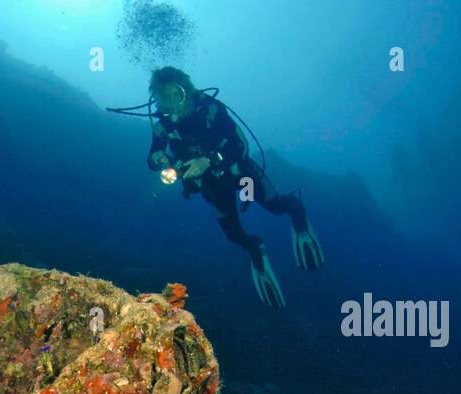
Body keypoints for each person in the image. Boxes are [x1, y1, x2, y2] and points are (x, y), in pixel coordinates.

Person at [133, 67, 324, 308]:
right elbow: (152, 157)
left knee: (275, 206)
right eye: (161, 98)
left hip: (241, 175)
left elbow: (239, 144)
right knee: (234, 234)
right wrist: (159, 158)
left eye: (174, 96)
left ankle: (296, 209)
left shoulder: (212, 110)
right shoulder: (162, 126)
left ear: (186, 92)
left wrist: (210, 160)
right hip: (212, 186)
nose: (168, 105)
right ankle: (256, 249)